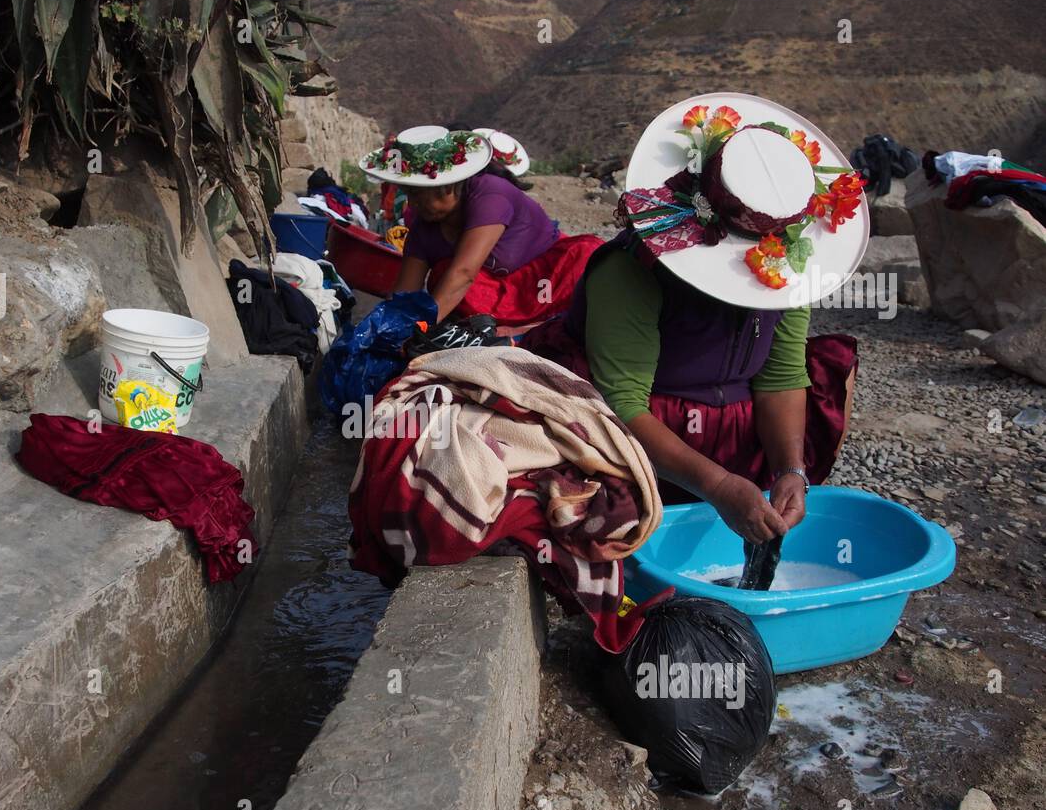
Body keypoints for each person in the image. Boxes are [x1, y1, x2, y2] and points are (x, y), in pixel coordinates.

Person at [523, 93, 865, 545]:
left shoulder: (782, 271)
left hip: (737, 432)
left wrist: (790, 469)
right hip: (638, 436)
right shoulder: (631, 272)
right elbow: (623, 404)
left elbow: (780, 377)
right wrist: (718, 485)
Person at [360, 125, 603, 332]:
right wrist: (381, 330)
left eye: (418, 194)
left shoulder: (491, 194)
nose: (412, 204)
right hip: (497, 299)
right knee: (443, 276)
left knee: (590, 255)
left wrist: (422, 328)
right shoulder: (423, 226)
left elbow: (464, 273)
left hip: (547, 283)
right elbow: (404, 294)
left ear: (447, 185)